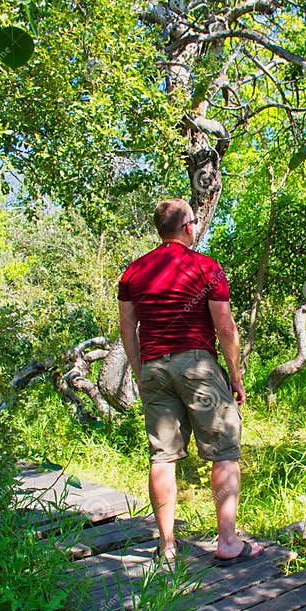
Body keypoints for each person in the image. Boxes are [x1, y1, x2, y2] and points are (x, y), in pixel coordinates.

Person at [118, 198, 263, 567]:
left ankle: (166, 547)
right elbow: (225, 326)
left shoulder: (133, 272)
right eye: (195, 222)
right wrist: (234, 374)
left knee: (162, 456)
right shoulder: (205, 267)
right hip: (197, 363)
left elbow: (127, 329)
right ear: (188, 227)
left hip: (154, 365)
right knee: (224, 450)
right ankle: (227, 542)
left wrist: (141, 371)